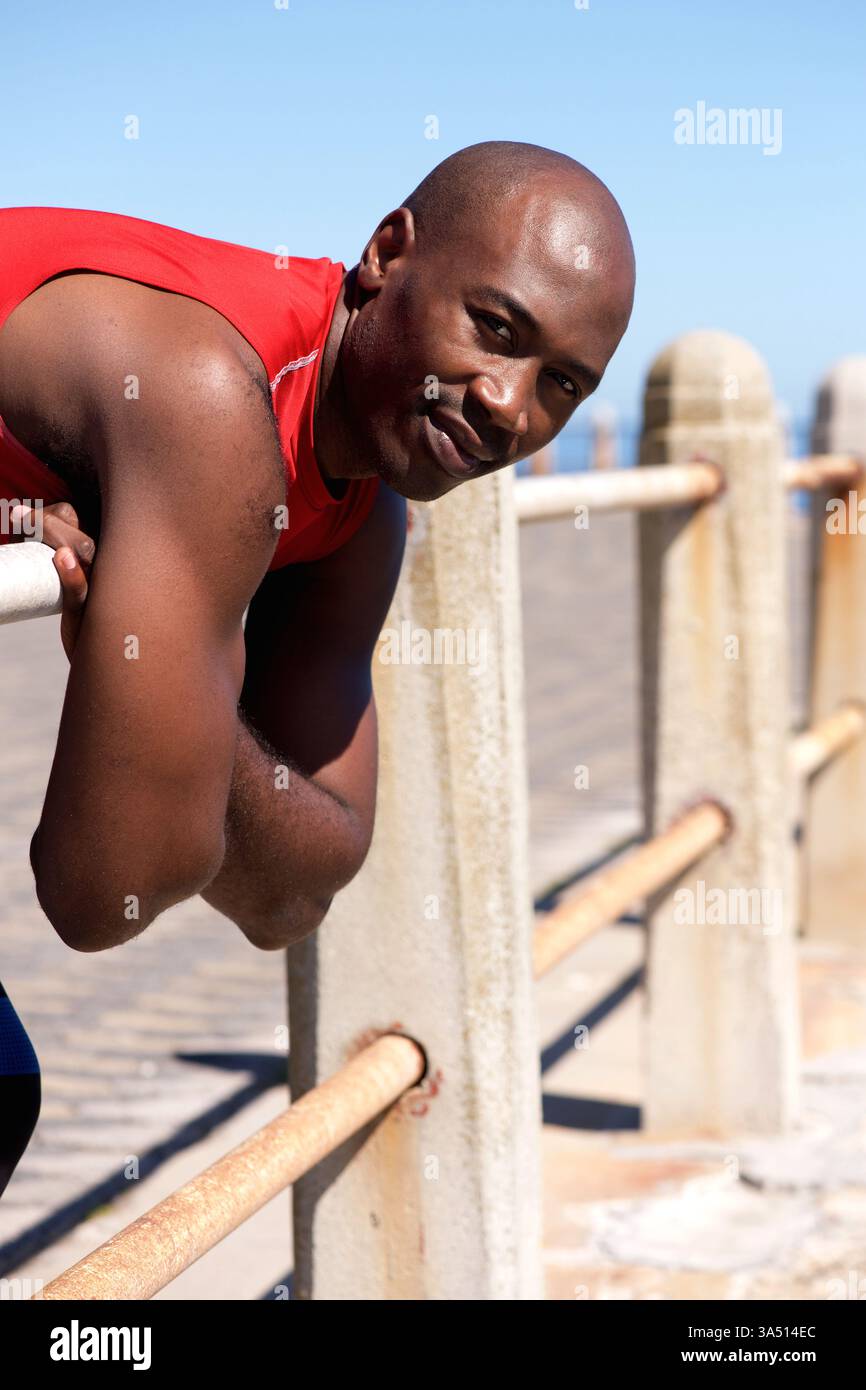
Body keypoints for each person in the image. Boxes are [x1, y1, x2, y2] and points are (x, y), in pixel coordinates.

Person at [0, 140, 634, 1191]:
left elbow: (300, 888)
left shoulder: (358, 496)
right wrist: (173, 686)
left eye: (559, 383)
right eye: (495, 329)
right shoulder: (214, 393)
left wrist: (187, 701)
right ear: (387, 252)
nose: (507, 405)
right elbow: (105, 888)